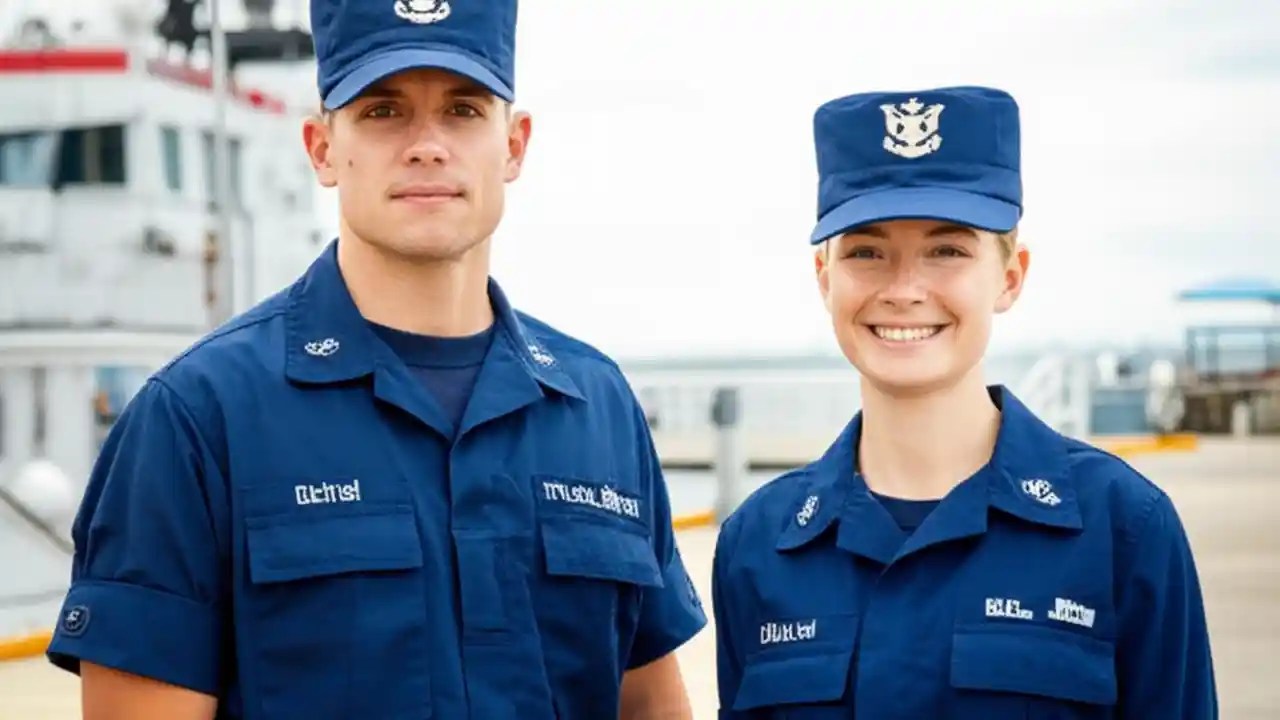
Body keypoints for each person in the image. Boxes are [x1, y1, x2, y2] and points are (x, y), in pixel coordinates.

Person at [45, 1, 706, 717]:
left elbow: (646, 704)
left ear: (514, 146)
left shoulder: (598, 409)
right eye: (383, 111)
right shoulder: (197, 420)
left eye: (462, 109)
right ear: (322, 148)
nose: (426, 145)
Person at [711, 86, 1217, 718]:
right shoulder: (758, 545)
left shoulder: (1123, 528)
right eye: (866, 252)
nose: (903, 289)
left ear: (1010, 277)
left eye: (947, 251)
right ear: (824, 278)